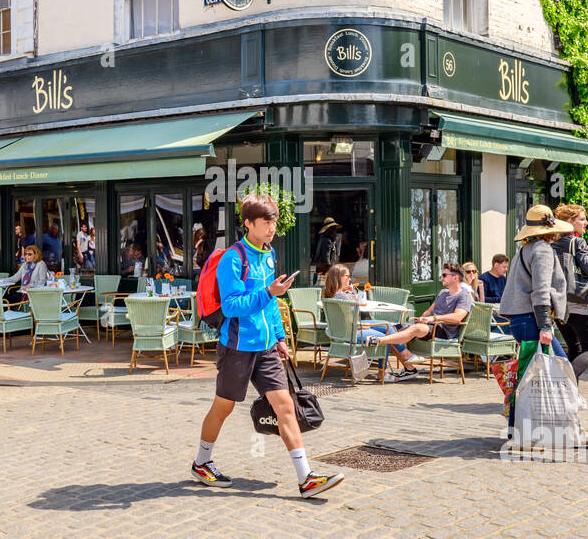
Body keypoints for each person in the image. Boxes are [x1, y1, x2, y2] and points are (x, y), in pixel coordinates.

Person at [190, 192, 345, 499]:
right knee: (224, 406)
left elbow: (272, 303)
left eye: (273, 221)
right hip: (236, 346)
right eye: (265, 222)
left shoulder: (268, 255)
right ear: (248, 223)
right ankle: (202, 461)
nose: (271, 228)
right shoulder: (234, 258)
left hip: (265, 347)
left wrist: (279, 337)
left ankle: (306, 479)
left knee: (285, 406)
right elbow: (233, 306)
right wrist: (267, 292)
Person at [497, 206, 573, 433]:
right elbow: (540, 291)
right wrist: (546, 325)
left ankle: (516, 430)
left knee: (528, 379)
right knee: (563, 373)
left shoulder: (525, 249)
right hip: (532, 320)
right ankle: (563, 429)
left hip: (520, 321)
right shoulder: (542, 250)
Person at [365, 262, 473, 381]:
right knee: (389, 329)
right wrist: (424, 316)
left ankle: (379, 341)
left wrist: (433, 318)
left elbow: (457, 317)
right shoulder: (443, 293)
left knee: (416, 329)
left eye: (444, 275)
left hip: (444, 331)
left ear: (455, 277)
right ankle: (409, 368)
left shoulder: (463, 297)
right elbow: (429, 310)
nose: (441, 278)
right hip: (429, 326)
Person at [552, 203, 588, 381]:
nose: (586, 222)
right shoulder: (577, 242)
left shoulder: (550, 242)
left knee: (574, 347)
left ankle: (570, 394)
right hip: (577, 303)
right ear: (570, 221)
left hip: (558, 306)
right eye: (582, 219)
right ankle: (565, 381)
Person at [322, 263, 407, 358]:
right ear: (339, 277)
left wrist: (351, 291)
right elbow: (352, 316)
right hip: (351, 332)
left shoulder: (331, 294)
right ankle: (389, 367)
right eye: (347, 276)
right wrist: (360, 326)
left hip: (340, 331)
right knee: (385, 335)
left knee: (386, 326)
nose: (350, 279)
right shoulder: (342, 296)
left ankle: (406, 357)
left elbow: (344, 318)